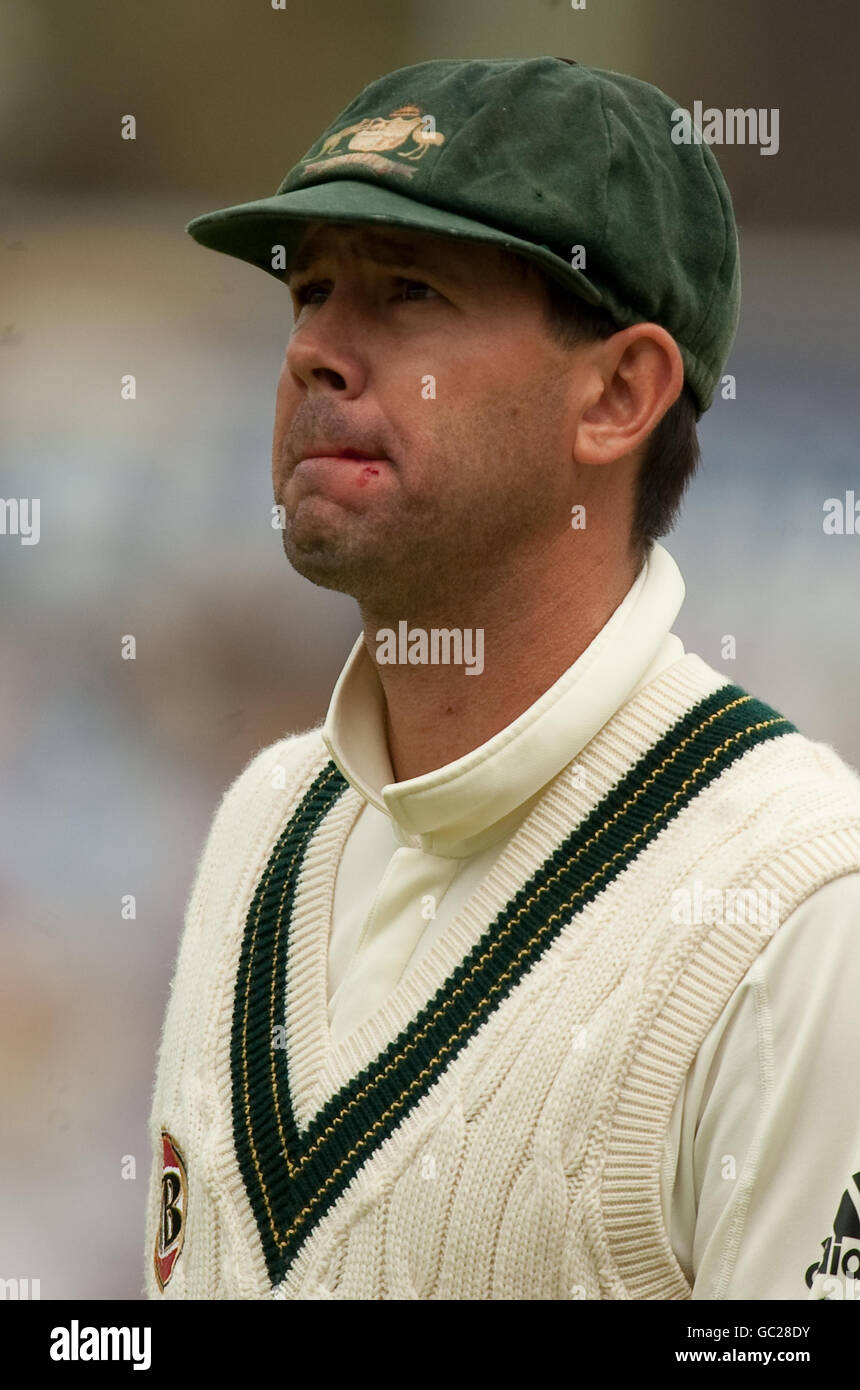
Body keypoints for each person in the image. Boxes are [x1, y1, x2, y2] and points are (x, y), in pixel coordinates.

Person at [144, 56, 860, 1300]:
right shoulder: (261, 825)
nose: (315, 348)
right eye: (309, 289)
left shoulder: (798, 910)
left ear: (620, 393)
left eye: (406, 291)